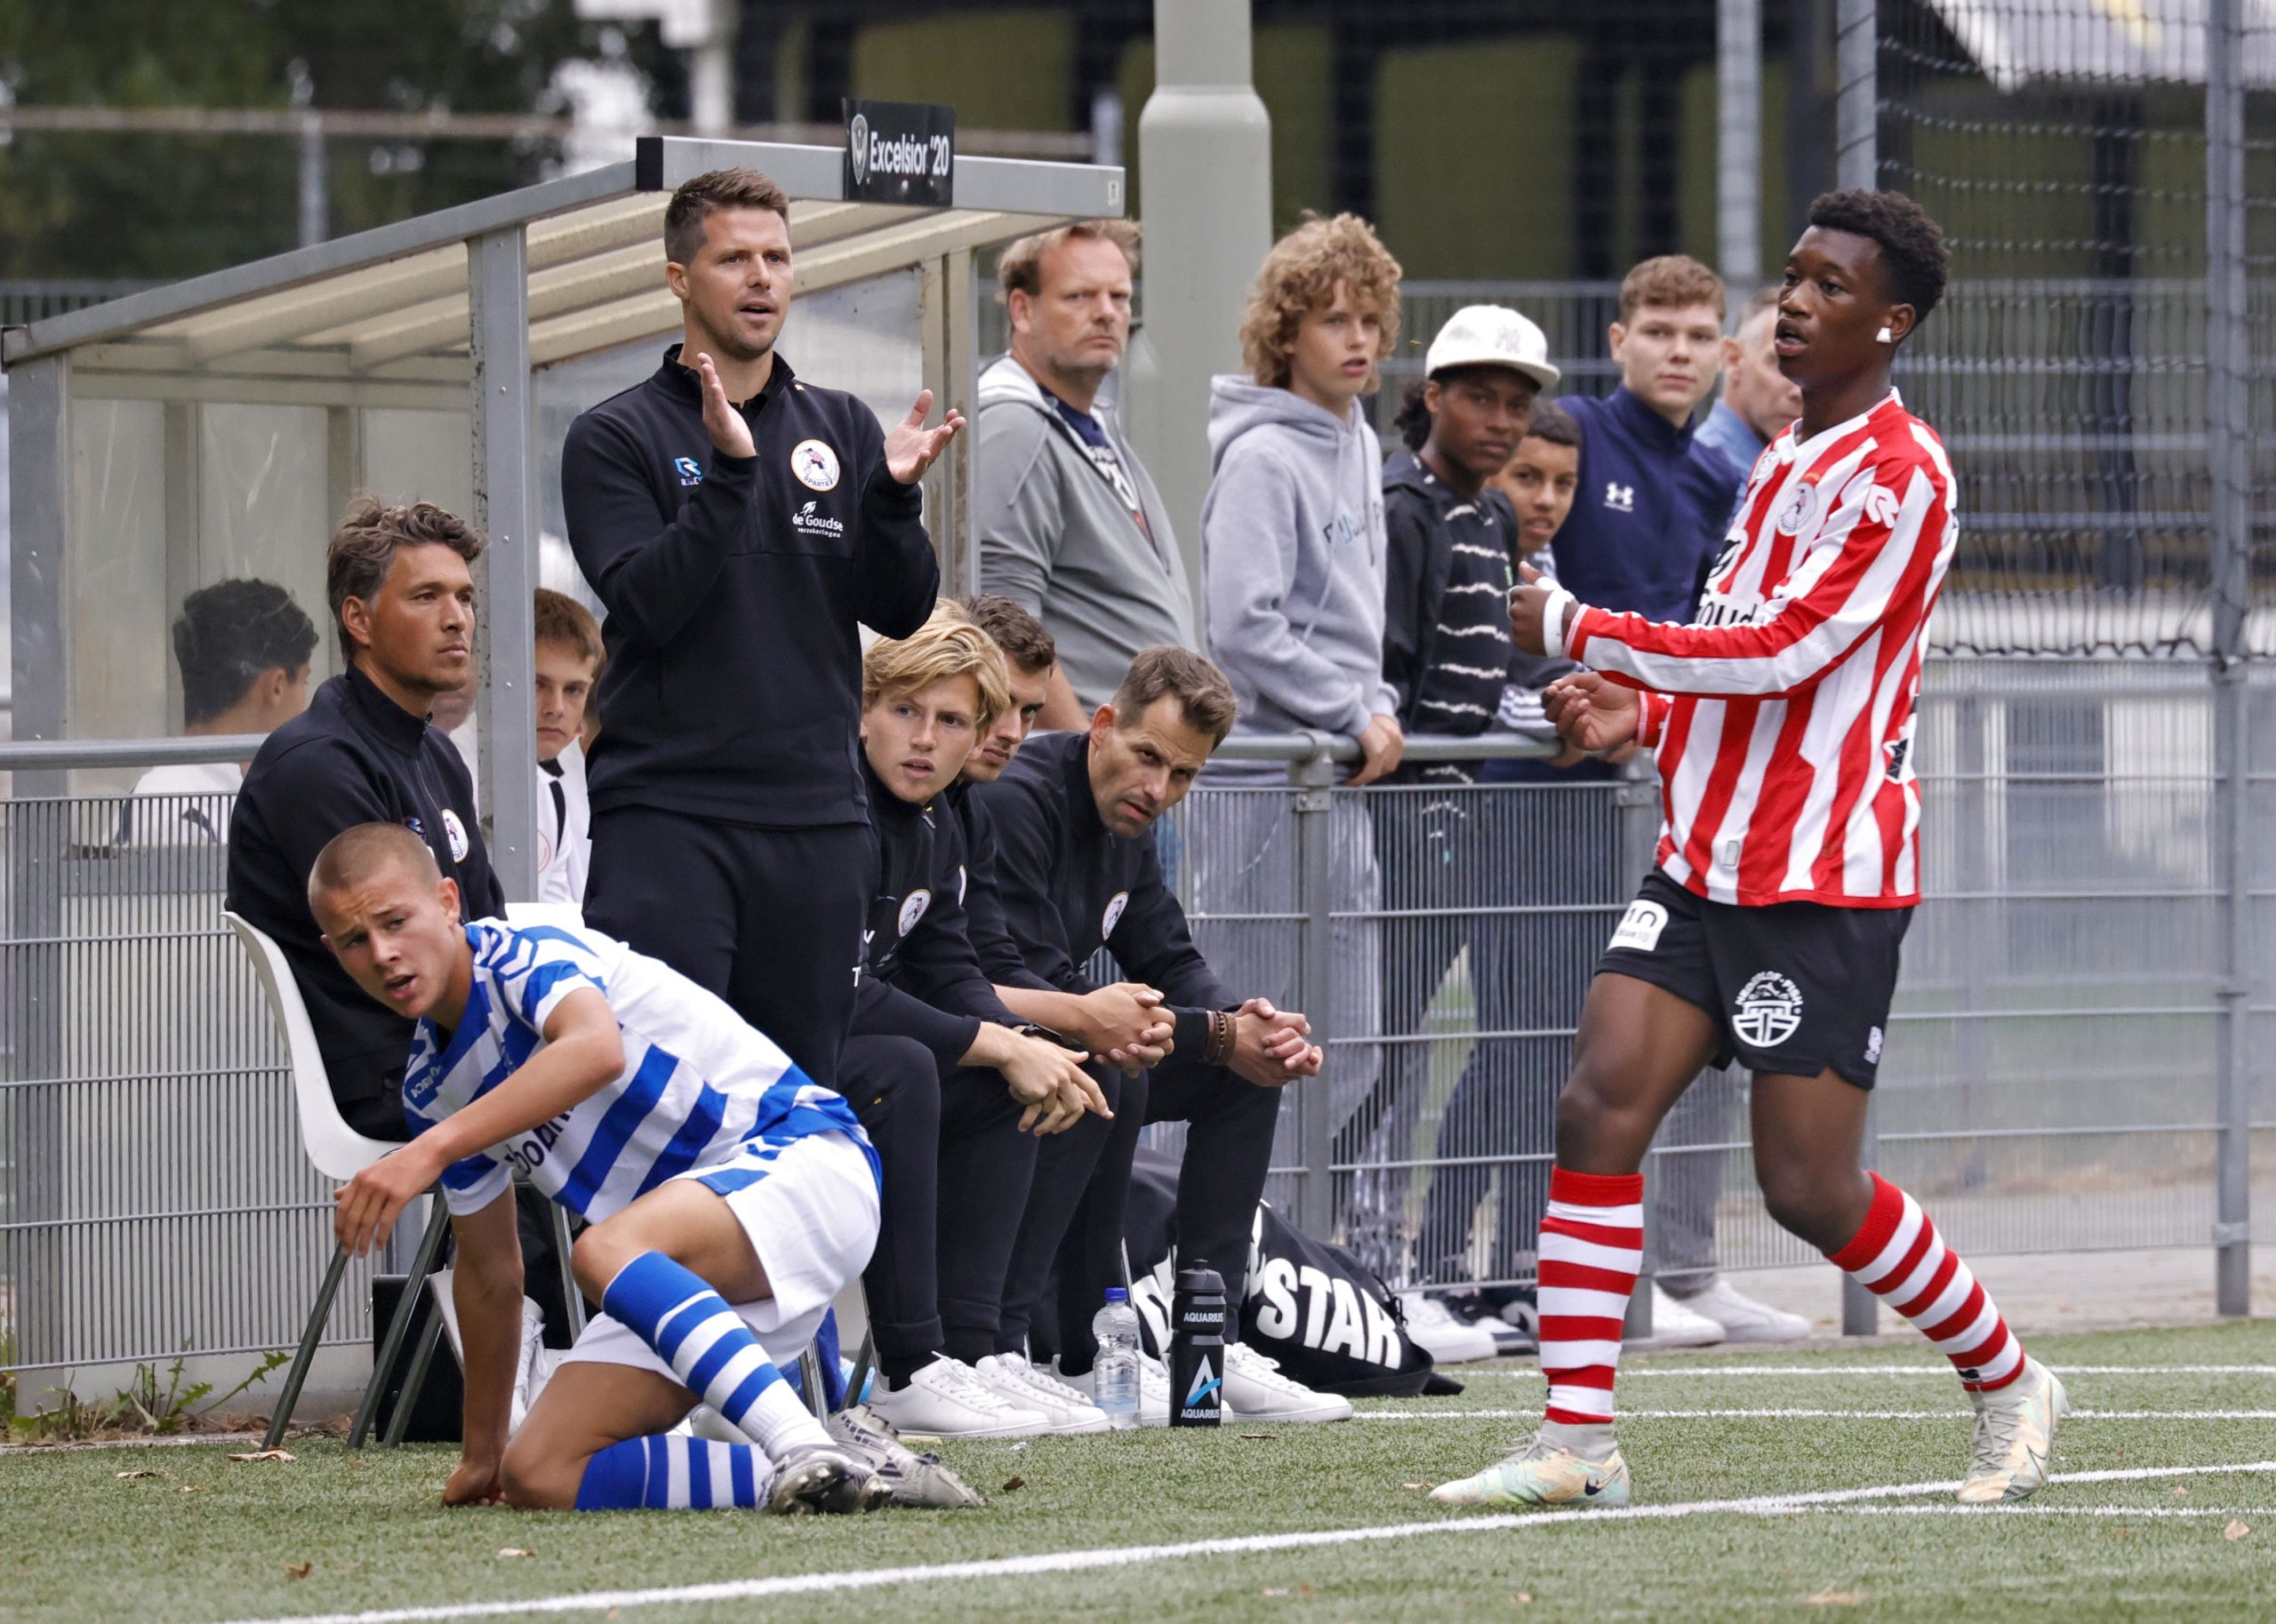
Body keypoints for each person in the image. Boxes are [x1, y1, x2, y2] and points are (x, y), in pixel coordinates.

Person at [1436, 189, 2066, 1512]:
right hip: (1701, 856)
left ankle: (2007, 1375)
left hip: (1820, 879)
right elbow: (1739, 655)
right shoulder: (1782, 454)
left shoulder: (1905, 476)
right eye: (1792, 277)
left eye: (1830, 287)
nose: (1795, 301)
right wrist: (1646, 708)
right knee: (1597, 1101)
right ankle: (1577, 1440)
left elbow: (1786, 653)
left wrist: (1579, 629)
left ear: (1890, 322)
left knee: (1809, 1186)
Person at [308, 822, 902, 1516]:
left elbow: (595, 1049)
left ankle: (801, 1442)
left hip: (806, 1162)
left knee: (606, 1245)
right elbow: (492, 1276)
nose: (382, 953)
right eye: (355, 941)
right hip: (678, 1270)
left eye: (395, 921)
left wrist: (429, 1151)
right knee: (542, 1471)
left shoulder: (523, 954)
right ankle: (843, 1476)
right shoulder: (429, 1088)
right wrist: (483, 1451)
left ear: (446, 900)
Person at [562, 165, 960, 1095]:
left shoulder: (839, 425)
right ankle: (636, 1252)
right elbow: (648, 604)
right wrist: (731, 482)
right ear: (678, 279)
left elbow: (898, 609)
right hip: (671, 820)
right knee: (665, 1100)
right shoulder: (614, 435)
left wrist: (894, 501)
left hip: (817, 823)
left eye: (777, 257)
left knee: (794, 1103)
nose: (760, 278)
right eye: (733, 257)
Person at [979, 647, 1348, 1425]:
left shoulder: (1131, 819)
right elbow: (1043, 988)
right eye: (1148, 757)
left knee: (1245, 1071)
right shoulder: (1021, 799)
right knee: (1115, 1069)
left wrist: (1251, 1028)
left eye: (1182, 776)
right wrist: (1213, 1032)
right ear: (1103, 727)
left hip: (1067, 1046)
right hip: (989, 1049)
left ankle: (1208, 1342)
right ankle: (1053, 1349)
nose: (1158, 788)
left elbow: (1169, 954)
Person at [842, 604, 1112, 1441]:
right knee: (908, 1068)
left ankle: (978, 1348)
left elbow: (951, 960)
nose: (924, 738)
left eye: (951, 719)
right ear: (863, 709)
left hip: (849, 1045)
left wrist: (1027, 1047)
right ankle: (910, 1365)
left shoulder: (946, 813)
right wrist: (994, 1040)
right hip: (762, 1056)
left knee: (1034, 1077)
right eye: (904, 710)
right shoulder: (832, 801)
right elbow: (828, 987)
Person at [1198, 213, 1404, 1260]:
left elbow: (1349, 623)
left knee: (1350, 1039)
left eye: (1370, 319)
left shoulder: (1360, 441)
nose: (1357, 341)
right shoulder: (1264, 458)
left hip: (1336, 781)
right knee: (1262, 1030)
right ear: (1285, 336)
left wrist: (1376, 709)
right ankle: (1239, 1257)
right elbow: (1243, 626)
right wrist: (1349, 711)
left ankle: (1318, 1254)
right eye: (1332, 321)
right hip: (1264, 790)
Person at [1367, 306, 1559, 1360]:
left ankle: (1405, 1272)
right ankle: (1368, 1269)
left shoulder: (1487, 517)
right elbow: (1393, 679)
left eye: (1516, 404)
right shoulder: (1403, 506)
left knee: (1423, 1053)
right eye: (1480, 397)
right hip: (1398, 824)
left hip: (1461, 821)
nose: (1499, 419)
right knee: (1377, 1049)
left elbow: (1486, 685)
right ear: (1432, 395)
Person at [1641, 288, 1815, 1343]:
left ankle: (1686, 1265)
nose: (1791, 377)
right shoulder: (1720, 469)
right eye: (1774, 355)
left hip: (1740, 799)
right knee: (1611, 1067)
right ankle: (1636, 1285)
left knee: (1733, 1077)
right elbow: (1712, 634)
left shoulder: (1812, 469)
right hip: (1686, 789)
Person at [227, 499, 505, 1139]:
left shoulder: (435, 751)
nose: (457, 619)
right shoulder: (317, 766)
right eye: (427, 597)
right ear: (359, 618)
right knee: (619, 1088)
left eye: (465, 598)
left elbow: (487, 928)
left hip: (461, 1048)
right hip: (392, 1073)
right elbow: (402, 963)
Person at [976, 220, 1196, 732]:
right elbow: (1004, 626)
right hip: (1080, 781)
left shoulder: (1090, 423)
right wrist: (1086, 763)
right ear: (1021, 309)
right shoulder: (1014, 427)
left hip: (1131, 774)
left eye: (1119, 296)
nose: (1106, 313)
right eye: (1079, 296)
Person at [127, 579, 317, 845]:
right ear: (276, 686)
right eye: (304, 683)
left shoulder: (226, 792)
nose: (307, 708)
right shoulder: (178, 815)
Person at [532, 589, 602, 908]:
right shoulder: (453, 767)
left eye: (574, 689)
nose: (556, 707)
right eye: (537, 684)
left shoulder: (584, 778)